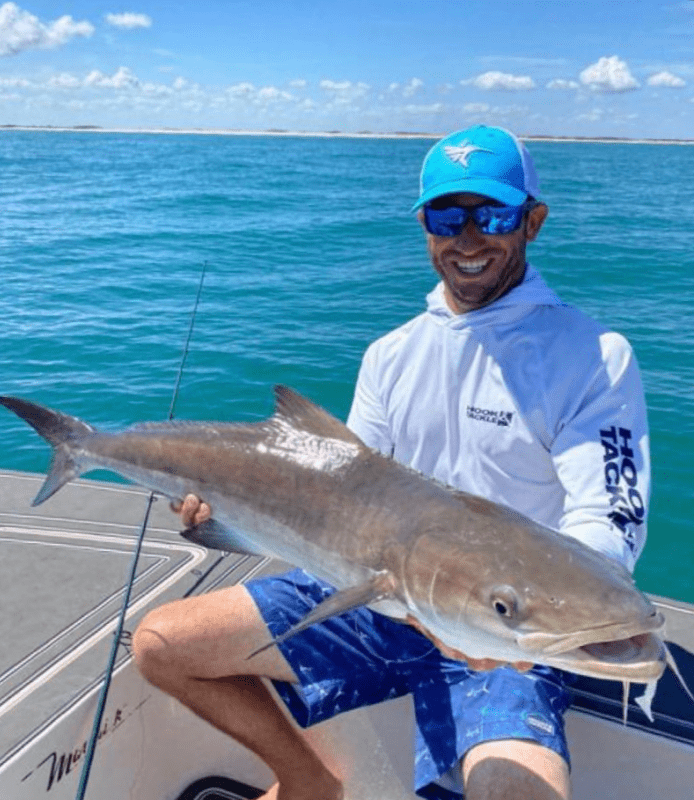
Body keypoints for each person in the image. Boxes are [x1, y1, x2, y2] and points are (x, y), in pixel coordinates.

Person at [132, 125, 650, 800]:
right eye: (446, 217)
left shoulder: (592, 356)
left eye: (491, 215)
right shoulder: (390, 354)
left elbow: (610, 517)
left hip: (500, 623)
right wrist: (222, 511)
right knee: (162, 645)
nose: (467, 239)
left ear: (534, 221)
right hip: (378, 594)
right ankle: (308, 779)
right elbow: (342, 486)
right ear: (425, 227)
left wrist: (507, 619)